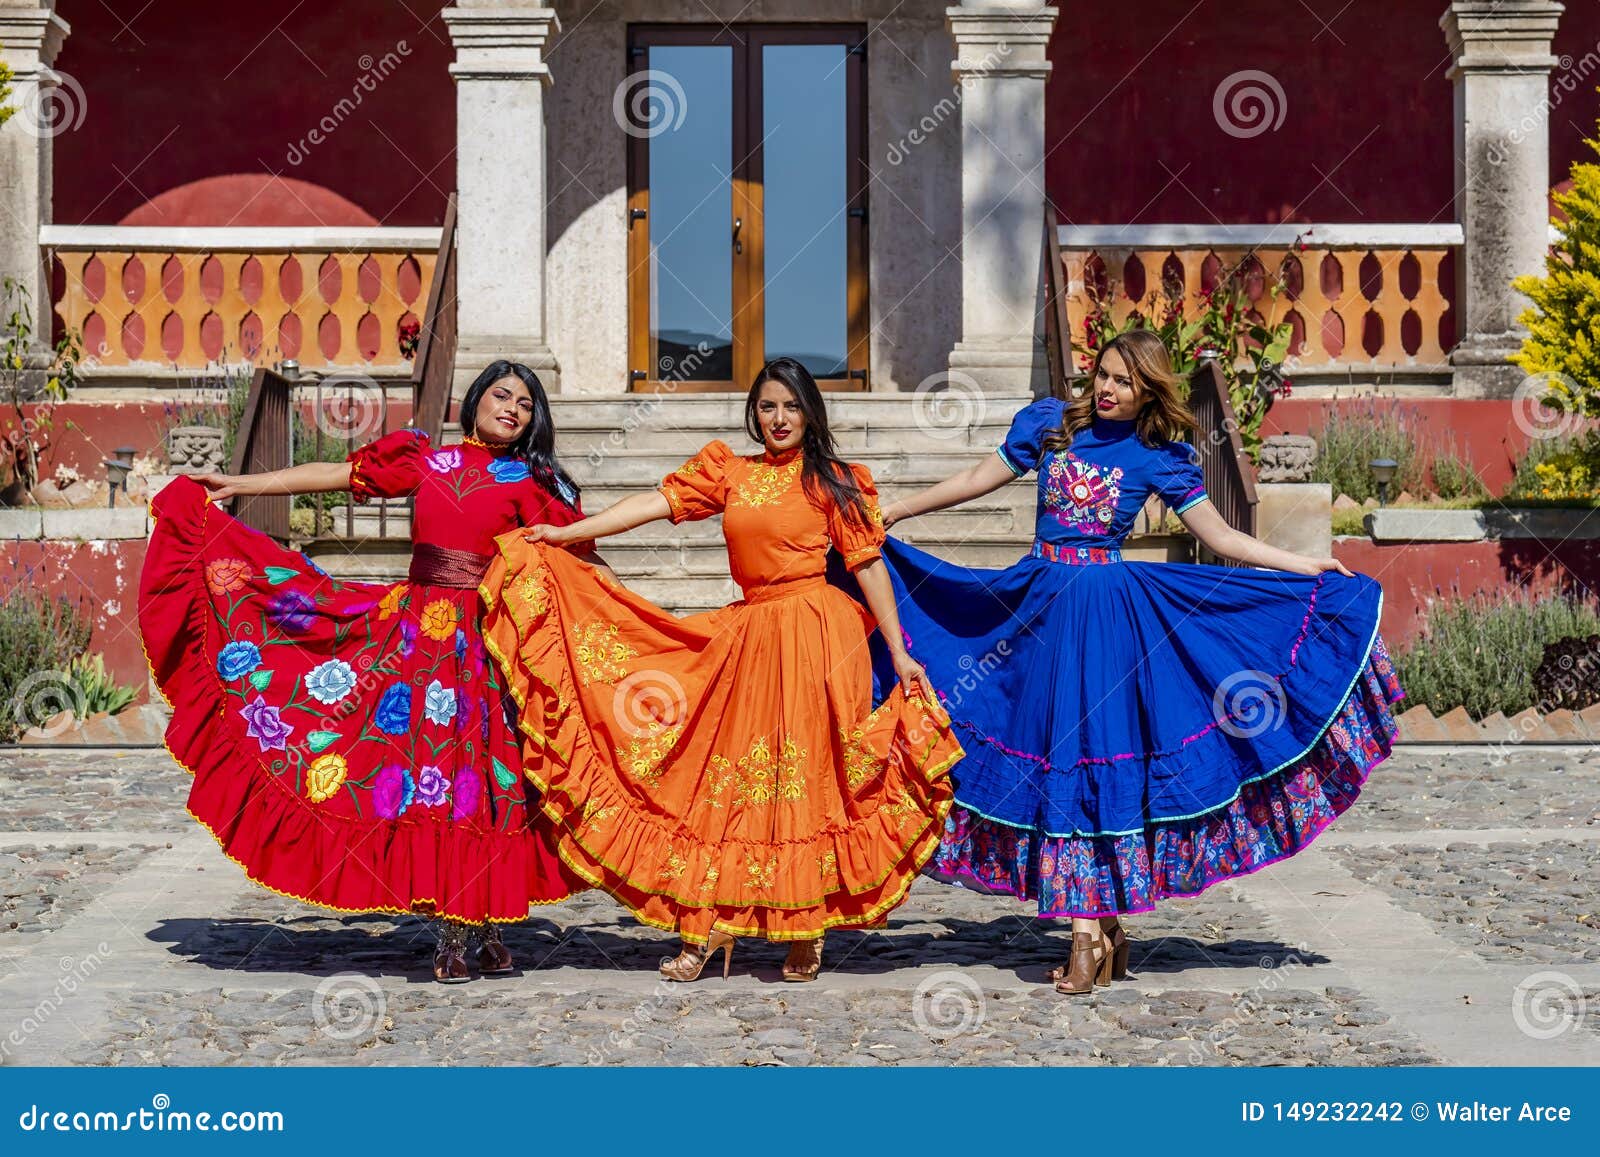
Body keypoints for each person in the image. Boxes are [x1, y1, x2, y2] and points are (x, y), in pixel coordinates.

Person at [877, 331, 1404, 995]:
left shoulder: (1158, 454)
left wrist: (1303, 563)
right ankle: (1104, 926)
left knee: (1088, 755)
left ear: (1147, 390)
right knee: (1045, 750)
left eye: (1125, 382)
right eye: (1103, 375)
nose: (1108, 389)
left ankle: (1086, 932)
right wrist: (895, 509)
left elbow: (1220, 535)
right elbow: (979, 478)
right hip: (1039, 610)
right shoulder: (1051, 427)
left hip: (1109, 621)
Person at [481, 357, 963, 982]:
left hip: (818, 636)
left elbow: (868, 564)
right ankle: (706, 928)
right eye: (767, 407)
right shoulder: (729, 473)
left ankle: (805, 930)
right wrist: (567, 534)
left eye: (791, 406)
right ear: (753, 413)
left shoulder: (836, 481)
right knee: (725, 781)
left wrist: (898, 651)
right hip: (749, 633)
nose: (779, 419)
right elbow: (649, 505)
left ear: (810, 412)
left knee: (808, 782)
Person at [140, 361, 607, 983]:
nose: (513, 408)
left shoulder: (533, 483)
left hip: (484, 646)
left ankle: (481, 920)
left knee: (483, 775)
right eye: (501, 395)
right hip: (412, 635)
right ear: (474, 402)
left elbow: (582, 561)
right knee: (424, 772)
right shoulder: (425, 461)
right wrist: (239, 481)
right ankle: (453, 933)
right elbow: (336, 475)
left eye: (525, 404)